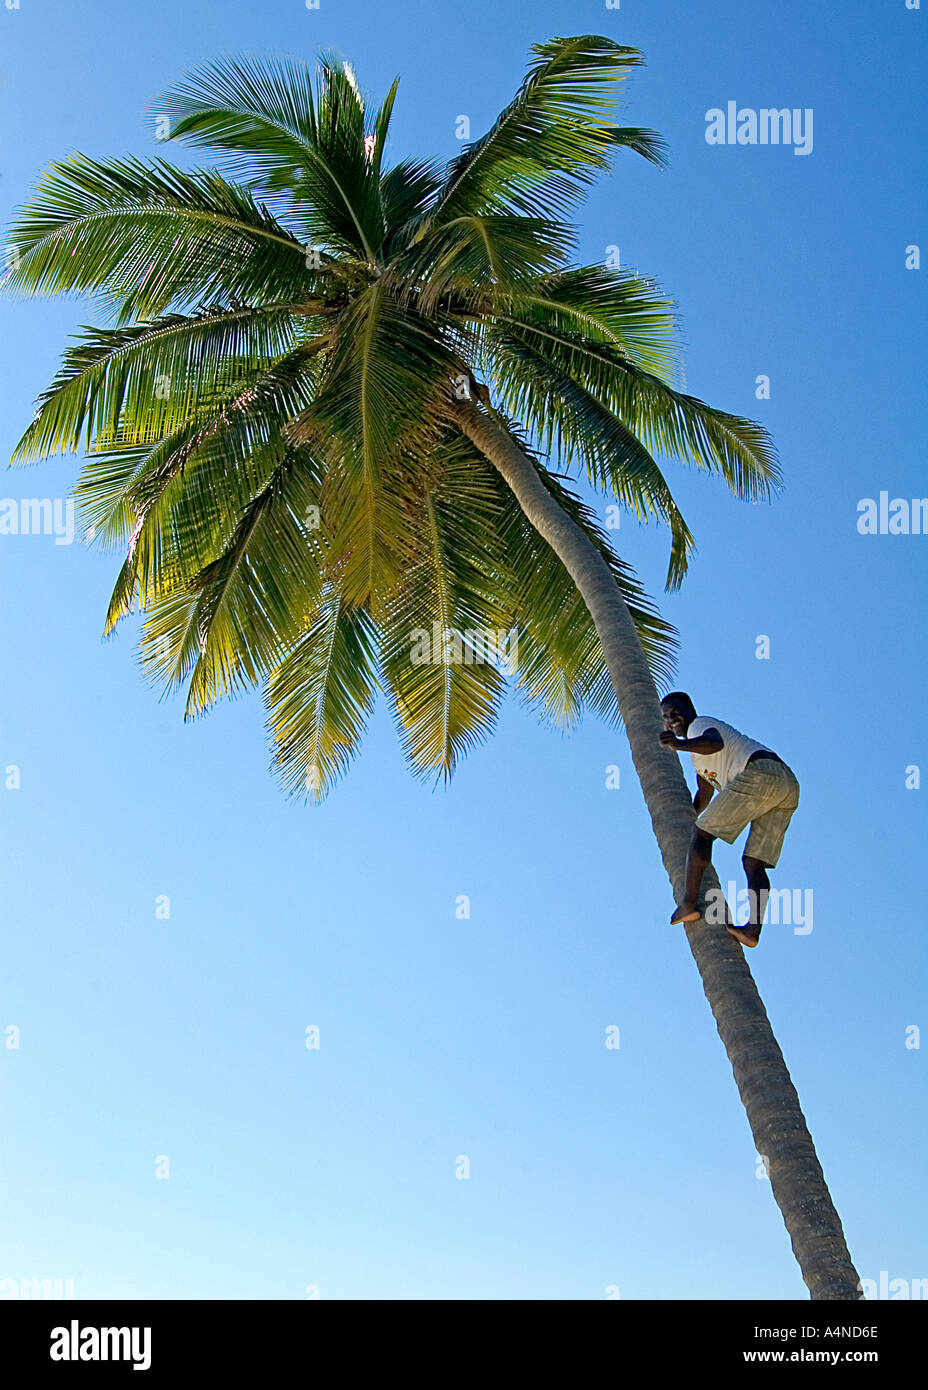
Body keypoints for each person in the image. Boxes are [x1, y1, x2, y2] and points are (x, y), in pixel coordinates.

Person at [658, 692, 800, 948]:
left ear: (689, 710)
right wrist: (687, 814)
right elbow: (705, 793)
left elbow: (714, 743)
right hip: (785, 786)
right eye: (666, 718)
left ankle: (689, 904)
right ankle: (751, 931)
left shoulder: (699, 726)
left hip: (760, 773)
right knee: (754, 863)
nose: (671, 720)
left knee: (703, 835)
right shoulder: (697, 758)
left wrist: (677, 746)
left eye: (675, 712)